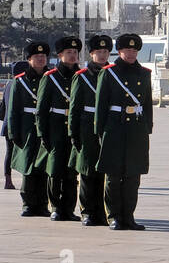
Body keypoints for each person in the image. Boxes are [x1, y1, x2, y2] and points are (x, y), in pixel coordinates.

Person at [94, 32, 154, 231]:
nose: (131, 53)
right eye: (127, 50)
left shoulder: (144, 73)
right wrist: (100, 131)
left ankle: (129, 216)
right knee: (113, 175)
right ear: (119, 51)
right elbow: (101, 104)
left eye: (134, 50)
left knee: (133, 176)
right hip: (114, 127)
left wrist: (147, 128)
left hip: (136, 129)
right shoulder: (109, 73)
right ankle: (114, 216)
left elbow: (146, 104)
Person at [35, 36, 82, 221]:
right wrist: (43, 133)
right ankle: (55, 206)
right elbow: (41, 109)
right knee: (55, 170)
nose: (72, 56)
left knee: (71, 172)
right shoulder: (50, 77)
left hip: (74, 129)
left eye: (75, 53)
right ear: (60, 55)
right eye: (69, 53)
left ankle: (69, 209)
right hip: (56, 128)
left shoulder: (81, 76)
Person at [68, 34, 113, 226]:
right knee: (88, 172)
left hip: (108, 128)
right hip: (87, 127)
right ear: (92, 53)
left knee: (105, 172)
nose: (102, 56)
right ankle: (88, 211)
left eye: (105, 52)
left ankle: (103, 212)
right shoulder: (82, 77)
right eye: (99, 52)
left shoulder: (114, 74)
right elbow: (75, 108)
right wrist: (74, 133)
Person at [6, 41, 51, 216]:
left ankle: (43, 204)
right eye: (37, 57)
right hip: (28, 130)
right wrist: (13, 133)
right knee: (28, 168)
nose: (40, 59)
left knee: (44, 169)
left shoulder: (51, 78)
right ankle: (28, 204)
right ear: (29, 59)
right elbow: (13, 110)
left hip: (45, 128)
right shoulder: (20, 81)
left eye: (43, 57)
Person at [0, 61, 28, 190]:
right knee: (26, 151)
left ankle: (8, 180)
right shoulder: (21, 84)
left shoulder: (9, 84)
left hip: (7, 123)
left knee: (9, 152)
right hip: (19, 124)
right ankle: (26, 179)